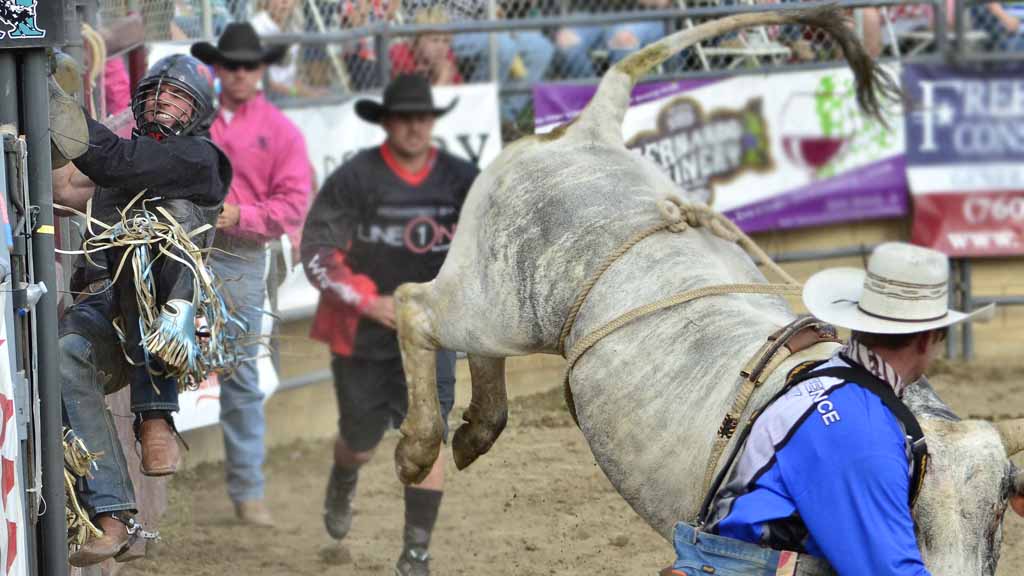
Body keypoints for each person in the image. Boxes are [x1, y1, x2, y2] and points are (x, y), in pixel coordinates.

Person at [667, 242, 994, 575]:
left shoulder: (831, 382)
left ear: (860, 323)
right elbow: (888, 570)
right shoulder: (862, 433)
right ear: (928, 339)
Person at [54, 54, 232, 567]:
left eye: (176, 96)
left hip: (168, 314)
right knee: (64, 353)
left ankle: (156, 414)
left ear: (199, 113)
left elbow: (113, 160)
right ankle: (114, 516)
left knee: (142, 250)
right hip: (104, 307)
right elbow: (64, 188)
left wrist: (52, 98)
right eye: (154, 94)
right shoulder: (125, 163)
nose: (161, 103)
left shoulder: (199, 158)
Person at [300, 74, 479, 576]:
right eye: (404, 119)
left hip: (430, 331)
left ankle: (415, 554)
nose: (414, 128)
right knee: (359, 442)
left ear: (433, 123)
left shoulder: (462, 178)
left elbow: (488, 244)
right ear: (387, 123)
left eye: (423, 118)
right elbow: (316, 250)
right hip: (363, 330)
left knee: (429, 433)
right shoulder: (356, 178)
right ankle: (343, 478)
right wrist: (367, 300)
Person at [191, 21, 313, 526]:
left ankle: (248, 489)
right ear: (219, 69)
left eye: (248, 66)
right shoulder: (194, 117)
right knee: (162, 356)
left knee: (238, 372)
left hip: (238, 256)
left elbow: (294, 205)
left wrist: (241, 215)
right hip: (186, 251)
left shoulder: (280, 132)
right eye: (232, 65)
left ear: (260, 70)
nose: (240, 73)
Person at [389, 6, 464, 85]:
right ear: (417, 40)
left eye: (446, 41)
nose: (441, 48)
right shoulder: (401, 55)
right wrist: (443, 78)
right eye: (435, 40)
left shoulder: (447, 58)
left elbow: (461, 89)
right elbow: (413, 93)